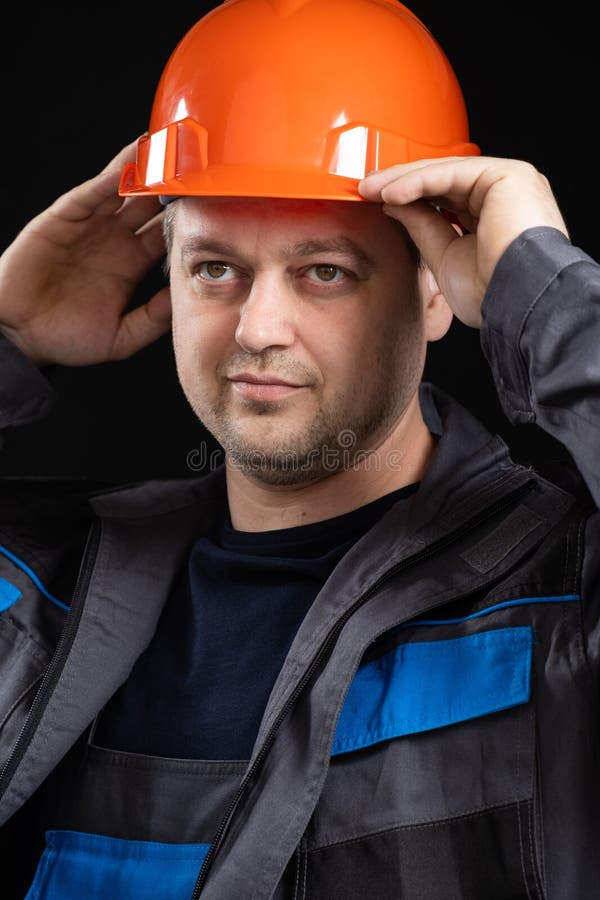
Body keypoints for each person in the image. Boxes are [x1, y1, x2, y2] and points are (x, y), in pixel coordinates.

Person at [1, 0, 599, 897]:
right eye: (215, 267)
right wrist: (5, 329)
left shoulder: (562, 597)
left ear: (436, 292)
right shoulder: (33, 585)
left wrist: (546, 294)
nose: (256, 327)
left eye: (325, 272)